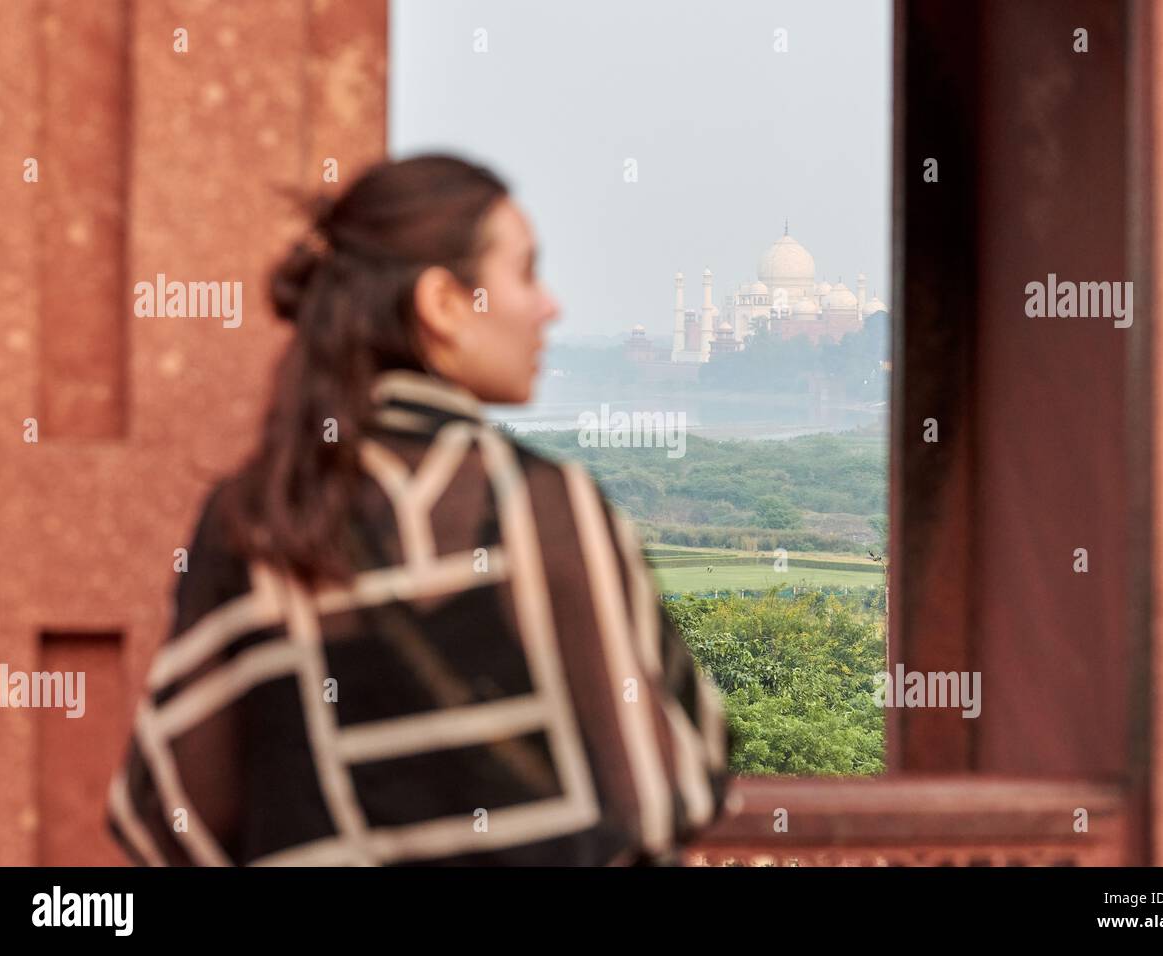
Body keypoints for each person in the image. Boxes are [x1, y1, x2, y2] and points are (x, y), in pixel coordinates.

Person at [105, 154, 733, 866]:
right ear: (441, 304)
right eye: (525, 274)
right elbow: (669, 784)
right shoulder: (546, 511)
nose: (549, 307)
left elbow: (161, 811)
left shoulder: (255, 519)